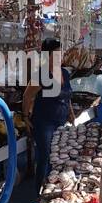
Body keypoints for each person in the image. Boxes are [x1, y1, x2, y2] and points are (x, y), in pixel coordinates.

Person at [25, 37, 73, 187]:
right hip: (44, 123)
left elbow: (68, 96)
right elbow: (27, 96)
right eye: (56, 54)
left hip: (61, 120)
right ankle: (39, 190)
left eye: (61, 53)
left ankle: (54, 187)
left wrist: (71, 113)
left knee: (60, 155)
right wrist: (26, 117)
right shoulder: (41, 75)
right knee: (45, 157)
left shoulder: (65, 73)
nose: (60, 57)